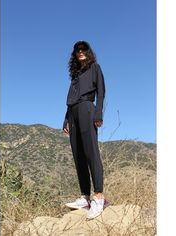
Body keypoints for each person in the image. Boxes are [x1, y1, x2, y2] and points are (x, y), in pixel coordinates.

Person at [63, 40, 107, 219]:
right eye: (77, 50)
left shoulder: (95, 68)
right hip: (73, 112)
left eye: (83, 49)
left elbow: (102, 92)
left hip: (87, 108)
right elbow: (71, 98)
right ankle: (85, 197)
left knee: (91, 153)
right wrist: (66, 118)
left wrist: (98, 113)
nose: (80, 52)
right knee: (78, 155)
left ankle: (98, 196)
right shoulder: (75, 74)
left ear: (88, 52)